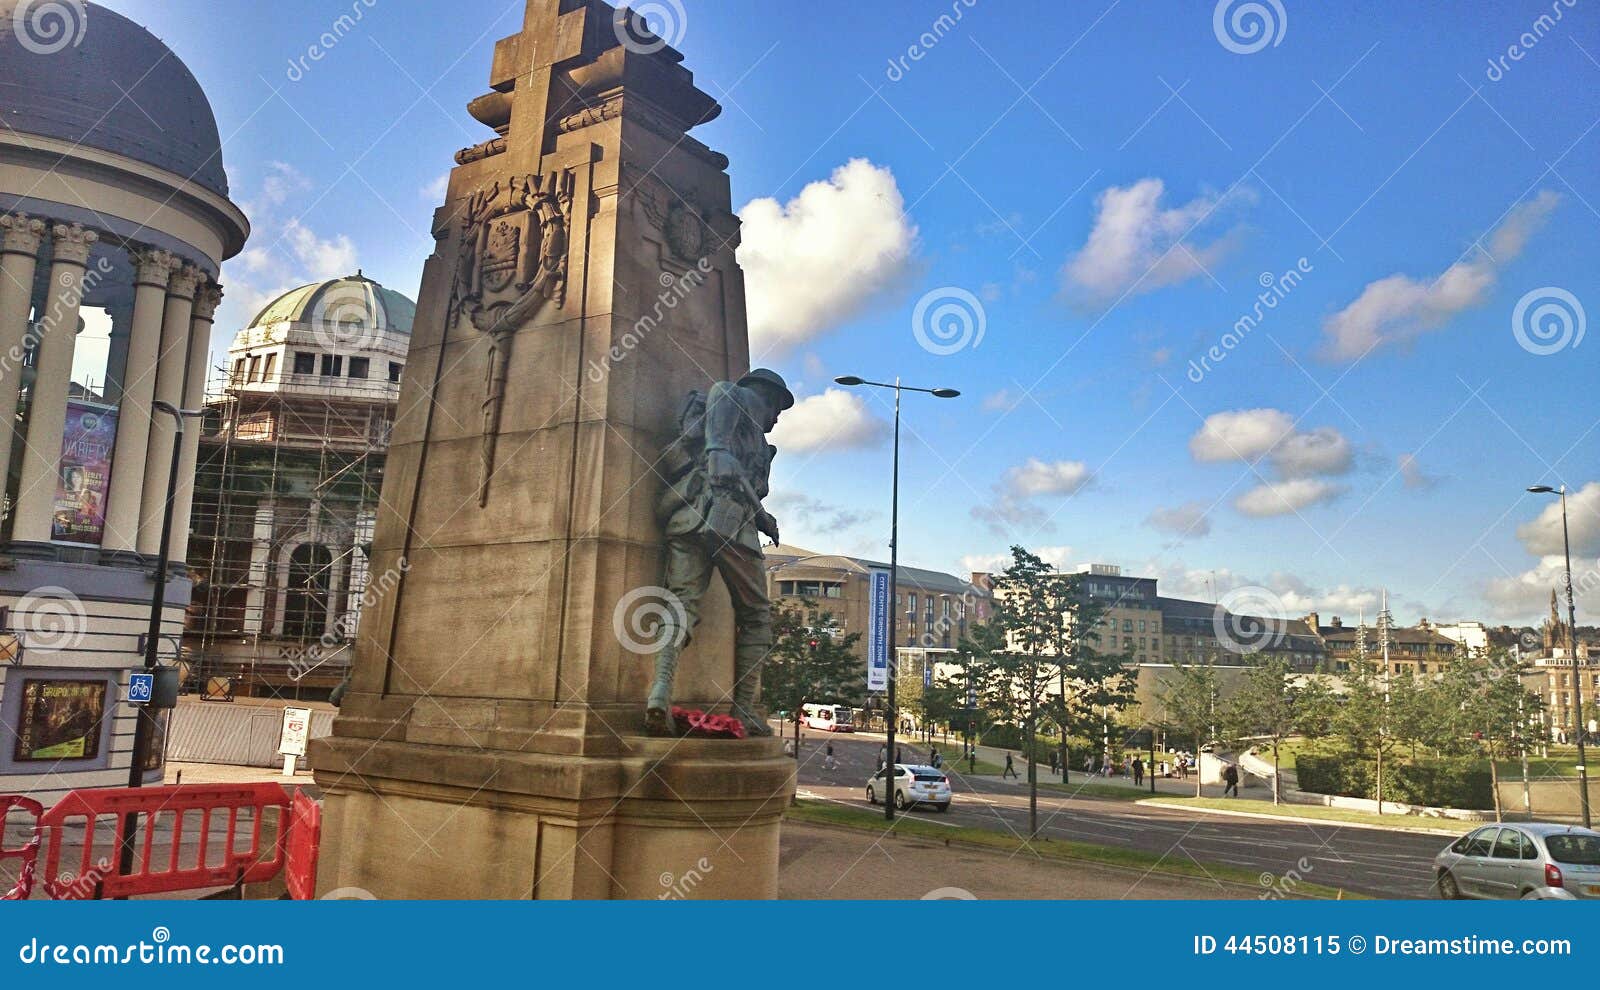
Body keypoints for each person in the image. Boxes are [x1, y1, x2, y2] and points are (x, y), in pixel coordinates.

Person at [646, 370, 794, 736]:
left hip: (688, 520)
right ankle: (743, 708)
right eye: (778, 408)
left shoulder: (760, 444)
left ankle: (660, 690)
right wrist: (715, 448)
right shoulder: (732, 397)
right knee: (757, 614)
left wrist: (762, 516)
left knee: (681, 604)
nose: (776, 418)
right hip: (728, 525)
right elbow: (722, 393)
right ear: (767, 395)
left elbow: (753, 491)